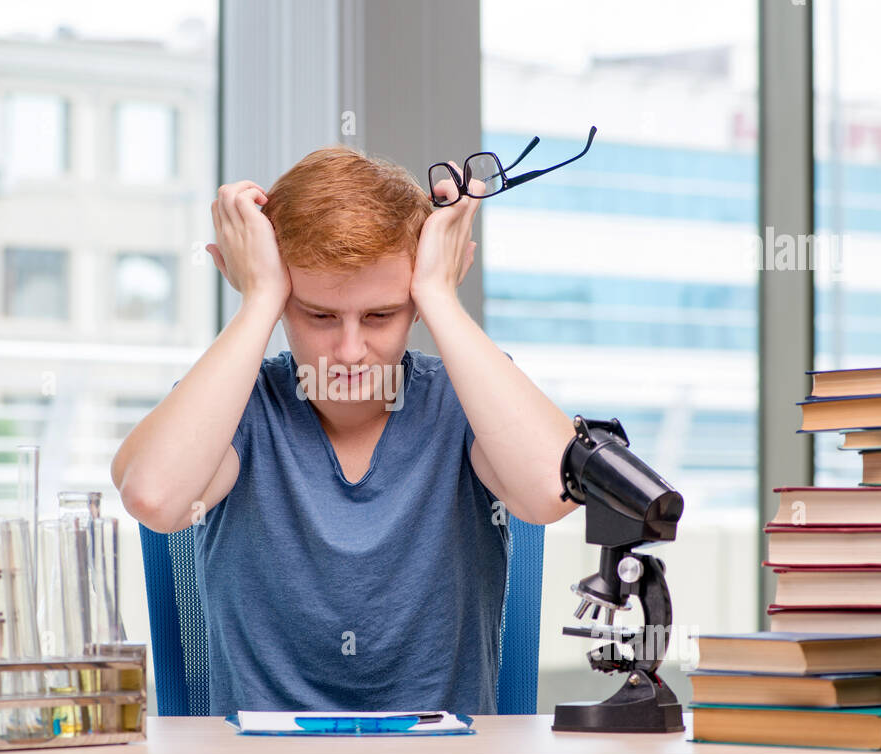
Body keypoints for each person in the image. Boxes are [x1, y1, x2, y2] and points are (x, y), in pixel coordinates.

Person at [111, 145, 580, 716]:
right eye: (319, 315)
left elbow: (552, 490)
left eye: (381, 315)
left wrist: (438, 294)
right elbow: (154, 495)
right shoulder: (241, 411)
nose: (351, 351)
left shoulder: (467, 401)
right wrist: (258, 300)